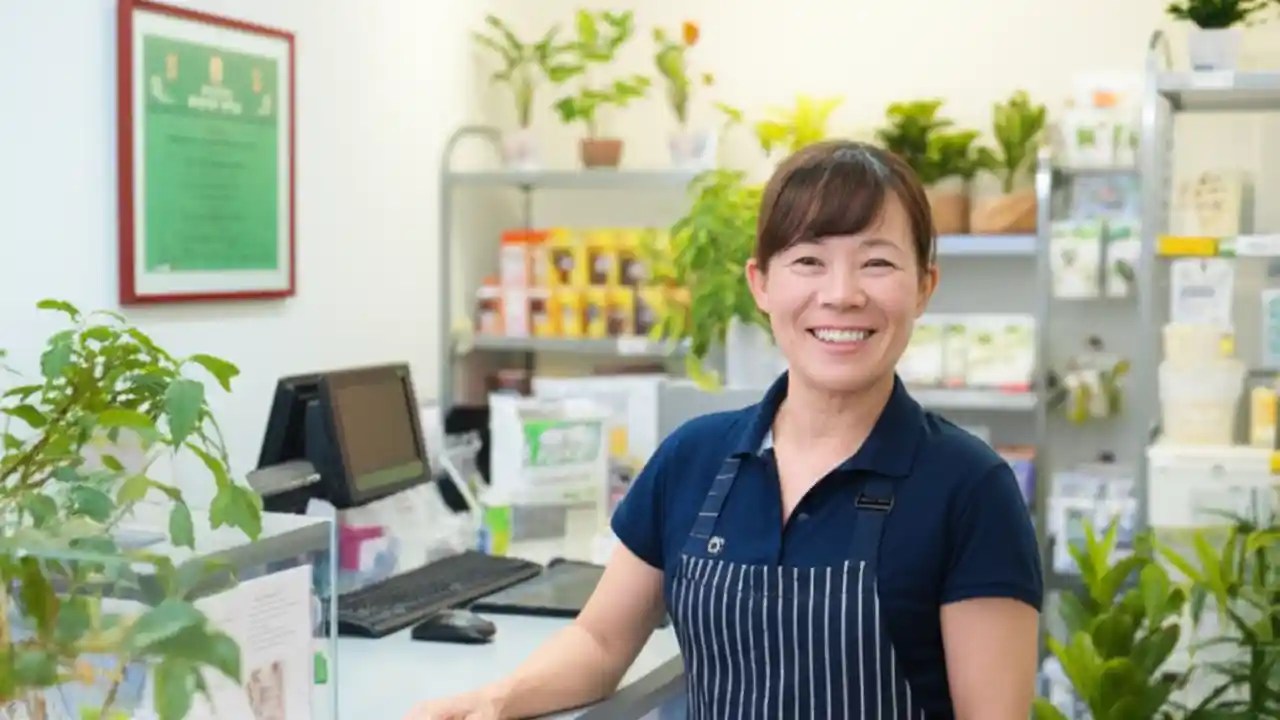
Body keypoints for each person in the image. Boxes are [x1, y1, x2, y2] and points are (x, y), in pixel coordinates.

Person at [406, 140, 1044, 720]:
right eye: (809, 261)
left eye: (876, 263)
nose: (843, 294)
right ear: (761, 284)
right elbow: (600, 643)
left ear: (924, 287)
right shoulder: (694, 458)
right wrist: (489, 703)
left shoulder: (970, 489)